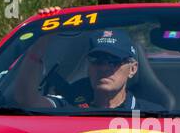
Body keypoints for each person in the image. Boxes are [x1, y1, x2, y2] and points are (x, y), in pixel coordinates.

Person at [12, 27, 163, 111]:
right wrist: (42, 38)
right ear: (88, 67)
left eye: (113, 61)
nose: (103, 67)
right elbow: (26, 99)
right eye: (97, 60)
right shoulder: (70, 103)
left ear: (133, 69)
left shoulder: (151, 115)